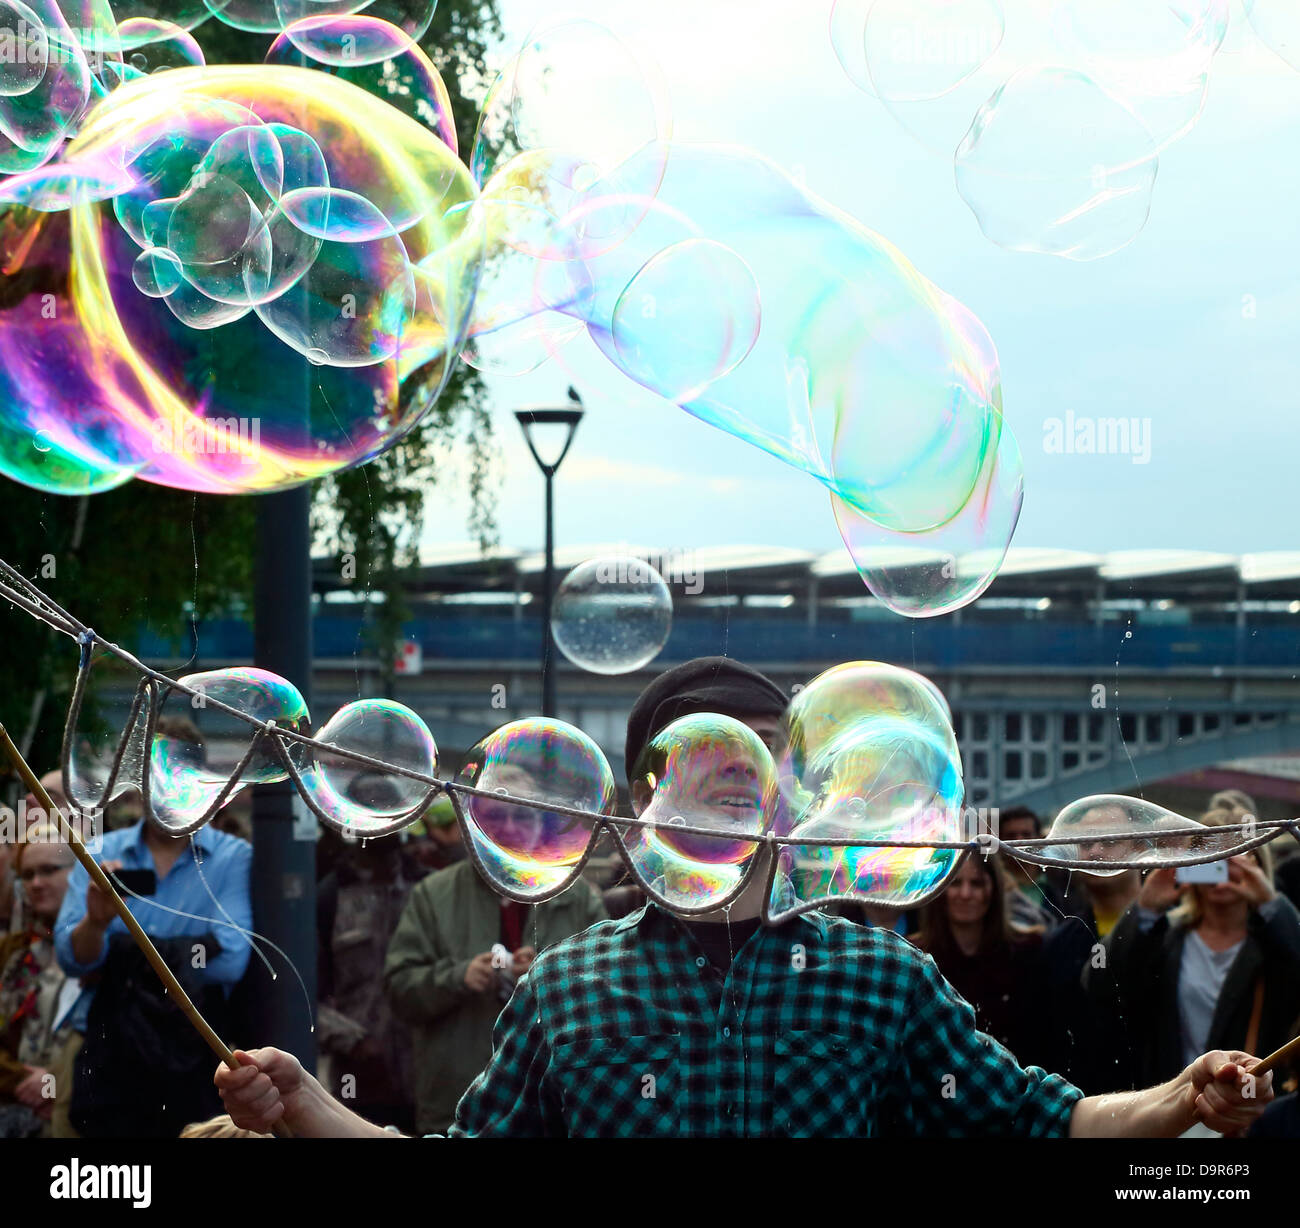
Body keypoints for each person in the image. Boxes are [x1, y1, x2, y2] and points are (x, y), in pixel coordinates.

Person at [216, 659, 1275, 1138]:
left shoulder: (881, 977)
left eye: (763, 760)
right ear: (642, 803)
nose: (741, 777)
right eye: (709, 760)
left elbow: (1043, 1121)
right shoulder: (566, 987)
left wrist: (1183, 1095)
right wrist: (312, 1106)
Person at [54, 738, 253, 1137]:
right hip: (115, 1055)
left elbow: (231, 960)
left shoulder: (233, 855)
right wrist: (95, 923)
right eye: (152, 779)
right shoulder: (99, 851)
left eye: (176, 778)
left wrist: (121, 951)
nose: (163, 792)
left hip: (195, 1052)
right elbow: (73, 958)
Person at [382, 795, 609, 1136]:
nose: (509, 828)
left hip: (561, 1105)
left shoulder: (577, 898)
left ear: (541, 826)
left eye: (522, 816)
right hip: (455, 1108)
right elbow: (399, 991)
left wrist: (550, 978)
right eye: (494, 817)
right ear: (474, 826)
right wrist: (458, 977)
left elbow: (610, 998)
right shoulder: (433, 894)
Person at [1086, 806, 1300, 1093]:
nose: (1220, 870)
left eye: (1233, 859)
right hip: (1172, 1100)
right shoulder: (1169, 936)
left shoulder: (1274, 940)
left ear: (1257, 867)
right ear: (1190, 865)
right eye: (1211, 861)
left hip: (1246, 1105)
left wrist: (1270, 903)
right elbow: (1100, 983)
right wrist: (1145, 909)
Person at [317, 824, 421, 1135]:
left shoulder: (425, 888)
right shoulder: (331, 896)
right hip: (357, 1082)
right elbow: (303, 995)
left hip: (425, 1078)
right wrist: (354, 1041)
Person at [1038, 800, 1143, 1093]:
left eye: (1108, 841)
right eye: (1085, 843)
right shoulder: (1059, 944)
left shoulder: (1176, 928)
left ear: (1138, 848)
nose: (1095, 852)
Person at [913, 852, 1052, 1069]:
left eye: (976, 883)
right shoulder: (915, 957)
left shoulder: (1029, 949)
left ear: (994, 889)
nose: (966, 893)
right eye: (955, 883)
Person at [0, 823, 77, 1137]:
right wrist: (18, 1079)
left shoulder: (110, 950)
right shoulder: (12, 952)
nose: (36, 883)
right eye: (28, 875)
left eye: (48, 870)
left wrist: (60, 1082)